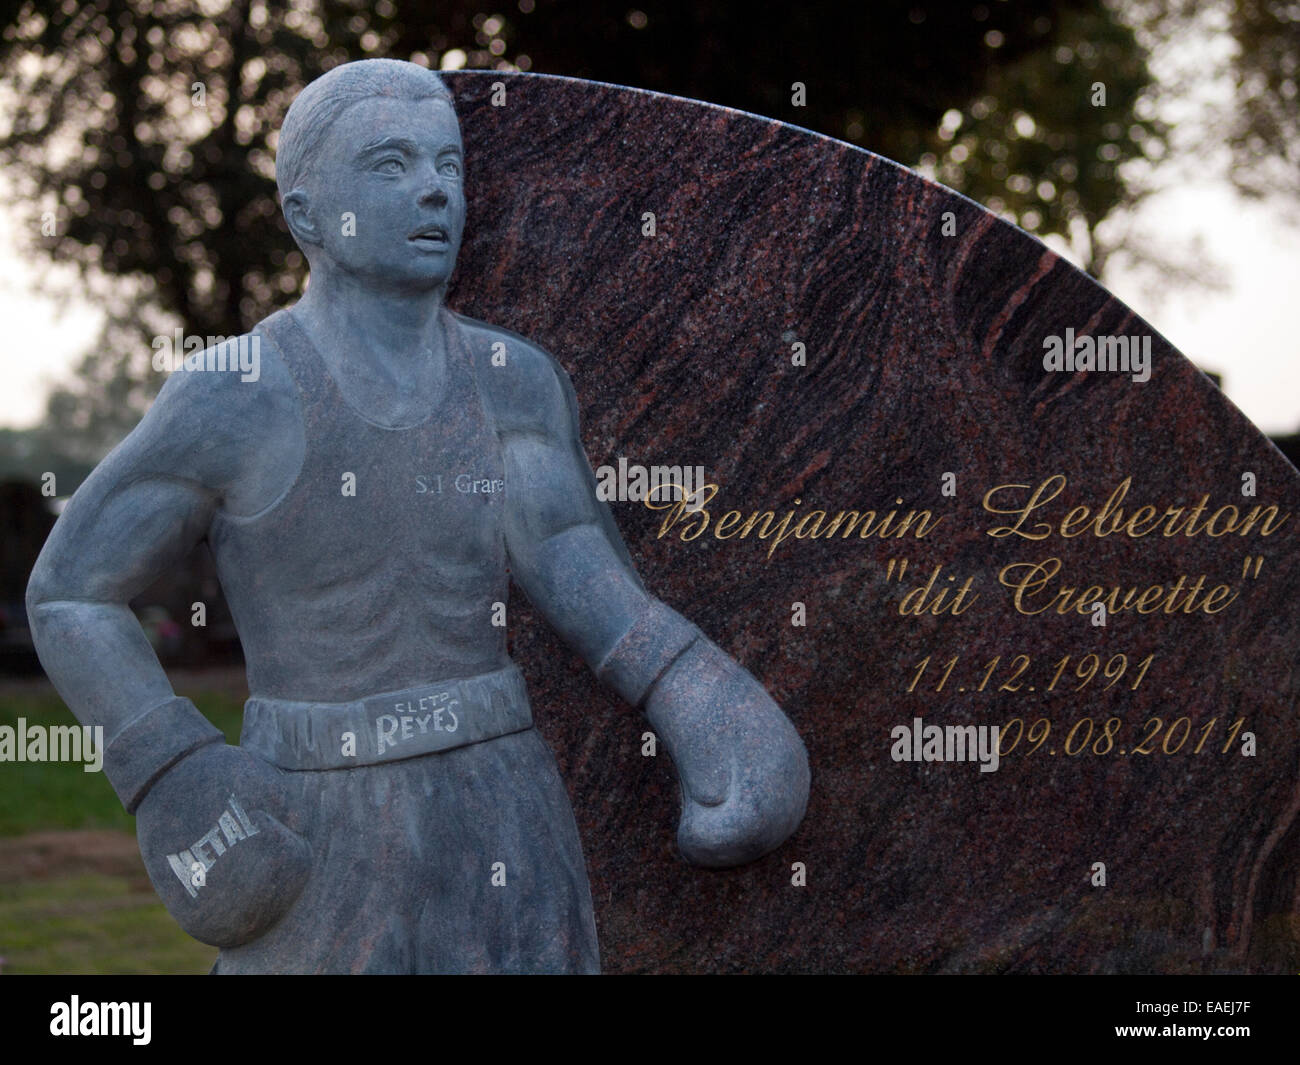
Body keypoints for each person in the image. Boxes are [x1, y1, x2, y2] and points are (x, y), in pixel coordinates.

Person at [26, 59, 808, 974]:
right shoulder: (237, 393)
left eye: (450, 165)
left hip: (503, 805)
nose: (435, 188)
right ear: (306, 213)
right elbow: (72, 591)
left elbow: (572, 563)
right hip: (315, 816)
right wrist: (171, 768)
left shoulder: (513, 383)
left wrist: (697, 694)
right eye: (391, 165)